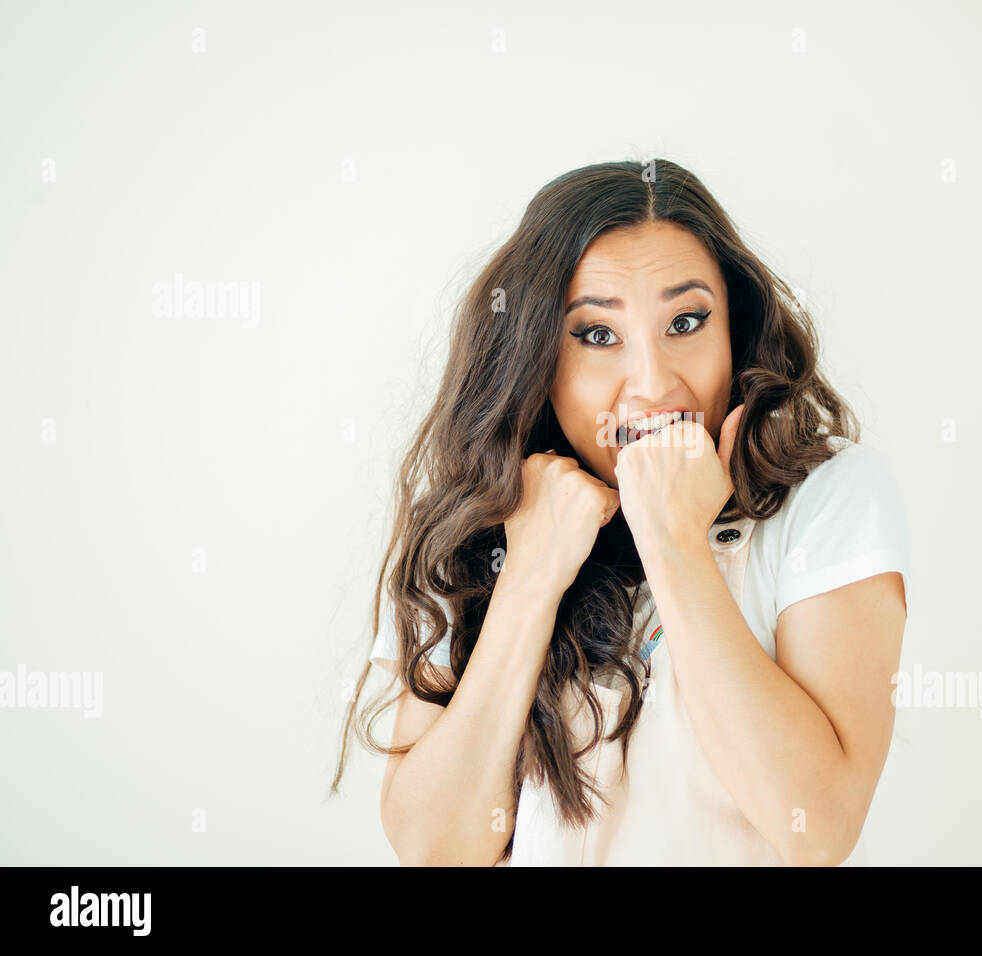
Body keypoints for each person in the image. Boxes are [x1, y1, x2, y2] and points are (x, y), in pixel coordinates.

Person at [330, 158, 912, 866]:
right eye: (598, 335)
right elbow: (436, 848)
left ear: (736, 332)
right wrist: (530, 577)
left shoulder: (828, 497)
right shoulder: (471, 527)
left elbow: (816, 827)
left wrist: (674, 543)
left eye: (687, 322)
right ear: (536, 356)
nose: (653, 382)